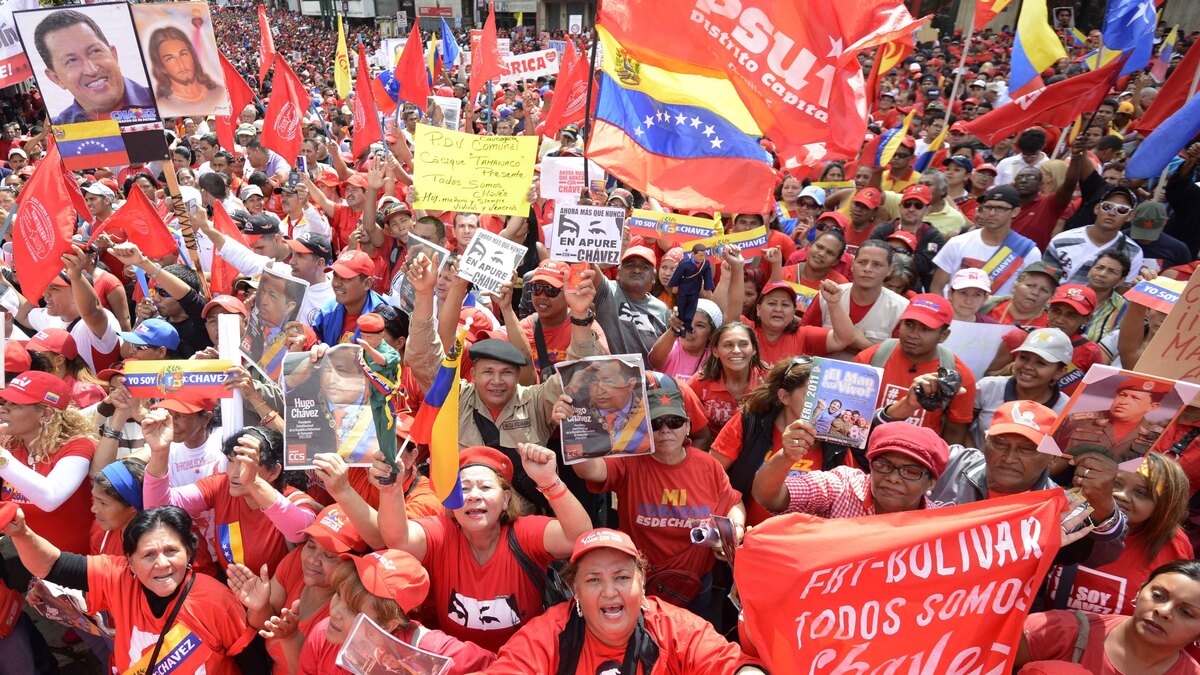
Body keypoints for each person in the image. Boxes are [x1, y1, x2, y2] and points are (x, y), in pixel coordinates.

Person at [375, 444, 593, 652]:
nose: (473, 495)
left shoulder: (524, 534)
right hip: (461, 666)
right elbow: (400, 540)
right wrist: (390, 489)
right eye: (464, 488)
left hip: (524, 665)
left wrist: (550, 482)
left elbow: (579, 538)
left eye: (486, 487)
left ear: (506, 498)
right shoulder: (443, 533)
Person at [3, 505, 266, 673]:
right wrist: (22, 533)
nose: (162, 564)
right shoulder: (118, 577)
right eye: (149, 555)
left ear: (189, 554)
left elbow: (253, 663)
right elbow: (52, 565)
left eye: (172, 551)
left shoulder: (215, 599)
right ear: (129, 561)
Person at [481, 528, 765, 674]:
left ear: (642, 585)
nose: (609, 592)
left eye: (621, 577)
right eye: (593, 580)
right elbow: (514, 665)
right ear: (575, 591)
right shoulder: (549, 633)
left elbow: (726, 663)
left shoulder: (675, 628)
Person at [567, 388, 745, 611]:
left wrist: (734, 530)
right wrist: (574, 424)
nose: (665, 430)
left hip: (697, 586)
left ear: (688, 426)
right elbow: (588, 470)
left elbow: (733, 503)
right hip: (643, 587)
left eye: (674, 422)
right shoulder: (630, 463)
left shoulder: (708, 465)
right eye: (655, 424)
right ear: (643, 430)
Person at [932, 401, 1127, 568]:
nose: (1009, 458)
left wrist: (1103, 503)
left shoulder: (1061, 507)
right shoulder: (951, 462)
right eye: (1000, 444)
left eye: (1027, 450)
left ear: (1052, 458)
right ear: (985, 442)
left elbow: (1102, 556)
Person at [142, 414, 319, 576]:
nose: (234, 473)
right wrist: (159, 453)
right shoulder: (221, 485)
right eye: (231, 461)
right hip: (235, 598)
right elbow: (159, 508)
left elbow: (299, 531)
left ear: (273, 472)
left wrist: (253, 483)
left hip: (281, 607)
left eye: (245, 464)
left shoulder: (293, 499)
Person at [294, 549, 496, 674]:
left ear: (388, 624)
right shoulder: (323, 634)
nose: (335, 612)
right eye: (338, 594)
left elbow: (503, 667)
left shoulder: (432, 650)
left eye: (353, 609)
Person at [710, 357, 856, 525]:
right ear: (784, 397)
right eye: (811, 394)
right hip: (748, 537)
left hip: (803, 544)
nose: (820, 401)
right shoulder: (751, 422)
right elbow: (710, 476)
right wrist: (732, 523)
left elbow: (848, 497)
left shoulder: (837, 442)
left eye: (826, 395)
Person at [1044, 453, 1194, 614]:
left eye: (1141, 493)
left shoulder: (1174, 545)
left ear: (1164, 505)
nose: (1121, 495)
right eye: (1114, 484)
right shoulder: (1063, 515)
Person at [1016, 559, 1200, 673]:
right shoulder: (1059, 630)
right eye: (1158, 595)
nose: (1163, 611)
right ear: (1139, 592)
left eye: (1186, 612)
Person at [753, 421, 949, 517]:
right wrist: (786, 456)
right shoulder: (842, 487)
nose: (894, 478)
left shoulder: (939, 527)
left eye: (910, 471)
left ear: (931, 481)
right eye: (884, 465)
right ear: (870, 466)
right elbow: (769, 497)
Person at [0, 371, 97, 555]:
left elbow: (50, 497)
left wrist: (2, 459)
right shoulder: (9, 443)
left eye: (15, 404)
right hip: (19, 560)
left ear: (46, 413)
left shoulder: (78, 445)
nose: (4, 409)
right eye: (4, 403)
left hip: (68, 568)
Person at [858, 293, 976, 443]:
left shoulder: (959, 376)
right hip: (863, 452)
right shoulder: (871, 358)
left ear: (944, 335)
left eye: (925, 329)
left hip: (920, 459)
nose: (913, 335)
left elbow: (954, 434)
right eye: (909, 324)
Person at [33, 9, 156, 124]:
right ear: (56, 78)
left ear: (113, 55)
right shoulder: (61, 128)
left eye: (94, 52)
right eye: (71, 61)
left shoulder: (164, 102)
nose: (91, 70)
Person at [930, 185, 1041, 297]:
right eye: (987, 207)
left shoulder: (1028, 252)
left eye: (1000, 208)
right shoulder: (957, 243)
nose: (992, 213)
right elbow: (936, 288)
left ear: (1015, 212)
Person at [972, 328, 1072, 447]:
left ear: (1060, 372)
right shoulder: (988, 388)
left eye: (1041, 363)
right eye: (1024, 357)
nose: (1028, 366)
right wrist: (978, 461)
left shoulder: (1067, 411)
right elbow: (959, 428)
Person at [1043, 185, 1144, 286]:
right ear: (1097, 209)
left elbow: (1121, 294)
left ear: (1130, 216)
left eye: (1122, 210)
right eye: (1107, 207)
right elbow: (1045, 282)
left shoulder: (1134, 252)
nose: (1112, 213)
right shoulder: (1061, 240)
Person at [1053, 379, 1172, 463]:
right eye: (1122, 395)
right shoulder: (1076, 421)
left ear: (1152, 406)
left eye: (1135, 398)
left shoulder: (1156, 436)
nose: (1123, 401)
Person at [686, 322, 768, 442]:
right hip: (711, 449)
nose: (736, 350)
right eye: (728, 345)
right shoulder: (701, 381)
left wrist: (764, 399)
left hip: (755, 450)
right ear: (715, 351)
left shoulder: (768, 378)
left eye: (743, 344)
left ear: (754, 349)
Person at [561, 358, 652, 462]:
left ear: (631, 384)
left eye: (608, 382)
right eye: (594, 382)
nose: (599, 390)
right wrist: (569, 393)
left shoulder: (650, 411)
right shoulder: (576, 411)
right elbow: (583, 467)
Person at [145, 25, 225, 115]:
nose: (181, 64)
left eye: (184, 54)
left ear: (193, 56)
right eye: (169, 59)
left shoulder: (220, 93)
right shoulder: (161, 107)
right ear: (161, 67)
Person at [667, 243, 714, 335]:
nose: (702, 257)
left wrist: (708, 288)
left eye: (704, 255)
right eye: (700, 255)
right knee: (681, 307)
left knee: (691, 308)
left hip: (696, 288)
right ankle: (679, 329)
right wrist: (674, 286)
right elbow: (677, 275)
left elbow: (707, 276)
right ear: (693, 254)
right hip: (684, 288)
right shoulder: (685, 263)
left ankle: (688, 326)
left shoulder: (705, 264)